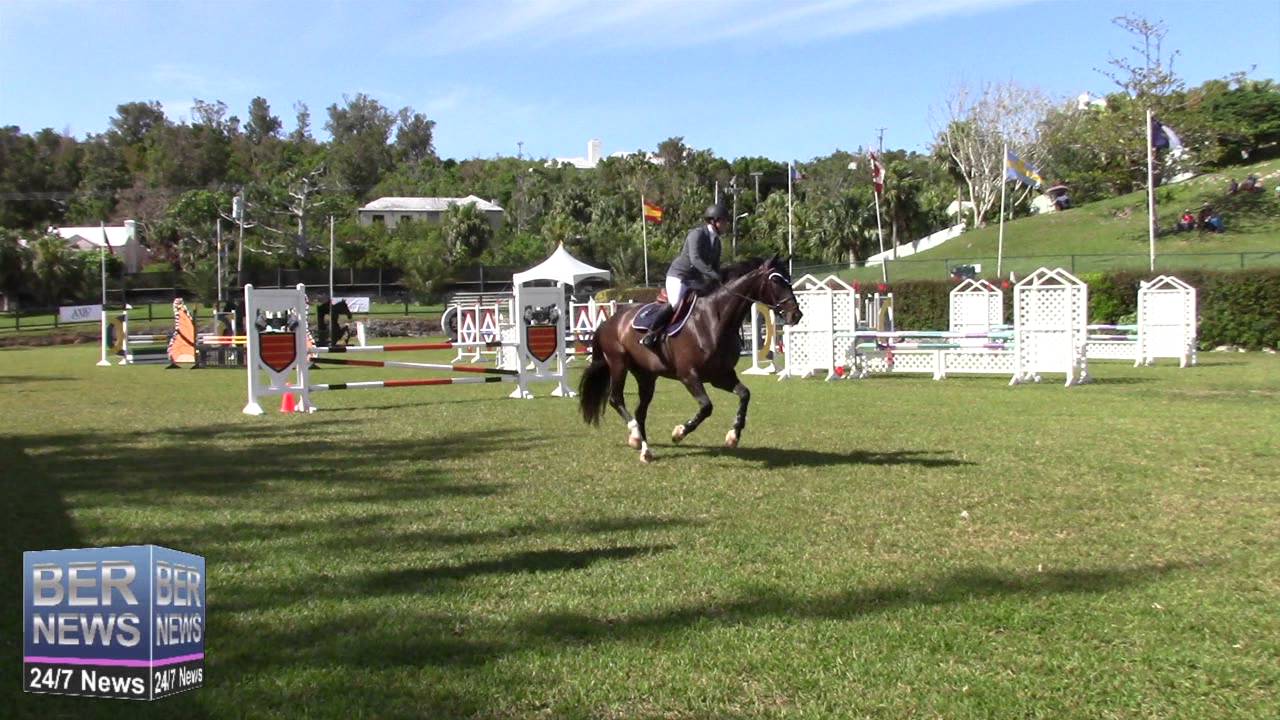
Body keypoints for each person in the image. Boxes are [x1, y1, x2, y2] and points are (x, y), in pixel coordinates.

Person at [640, 203, 728, 348]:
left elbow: (715, 266)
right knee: (675, 303)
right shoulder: (697, 234)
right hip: (679, 276)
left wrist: (721, 278)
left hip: (696, 280)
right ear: (714, 221)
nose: (726, 225)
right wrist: (713, 275)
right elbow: (695, 259)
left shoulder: (717, 242)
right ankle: (651, 333)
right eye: (724, 221)